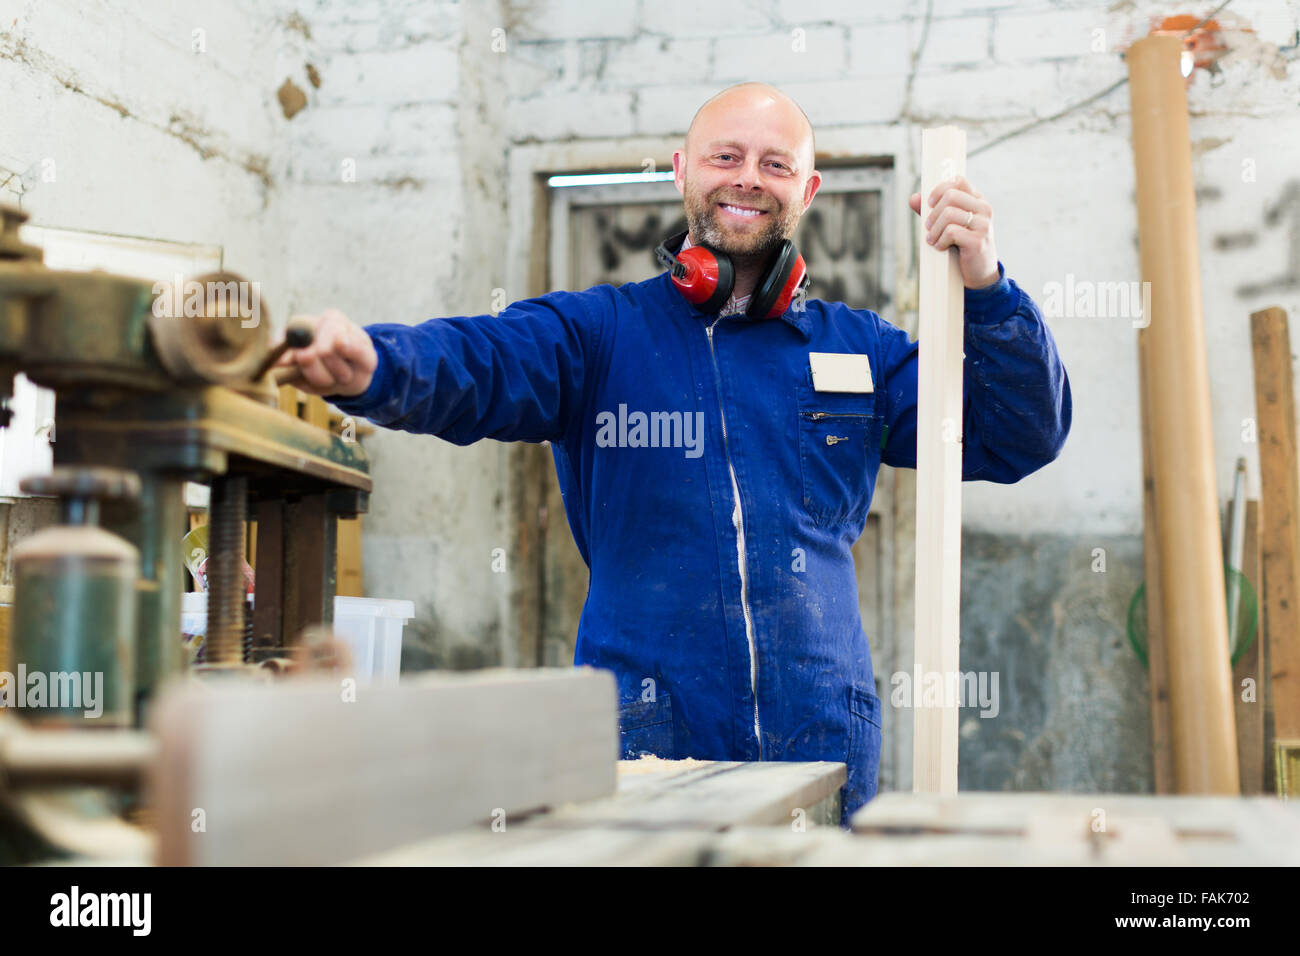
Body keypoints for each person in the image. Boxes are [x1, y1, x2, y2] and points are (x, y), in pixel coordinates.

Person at [276, 82, 1072, 825]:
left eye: (775, 164)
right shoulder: (600, 336)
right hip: (649, 736)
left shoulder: (860, 351)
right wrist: (376, 366)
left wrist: (988, 285)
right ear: (683, 171)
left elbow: (1016, 434)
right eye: (726, 157)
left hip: (823, 735)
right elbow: (481, 363)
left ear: (808, 189)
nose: (748, 179)